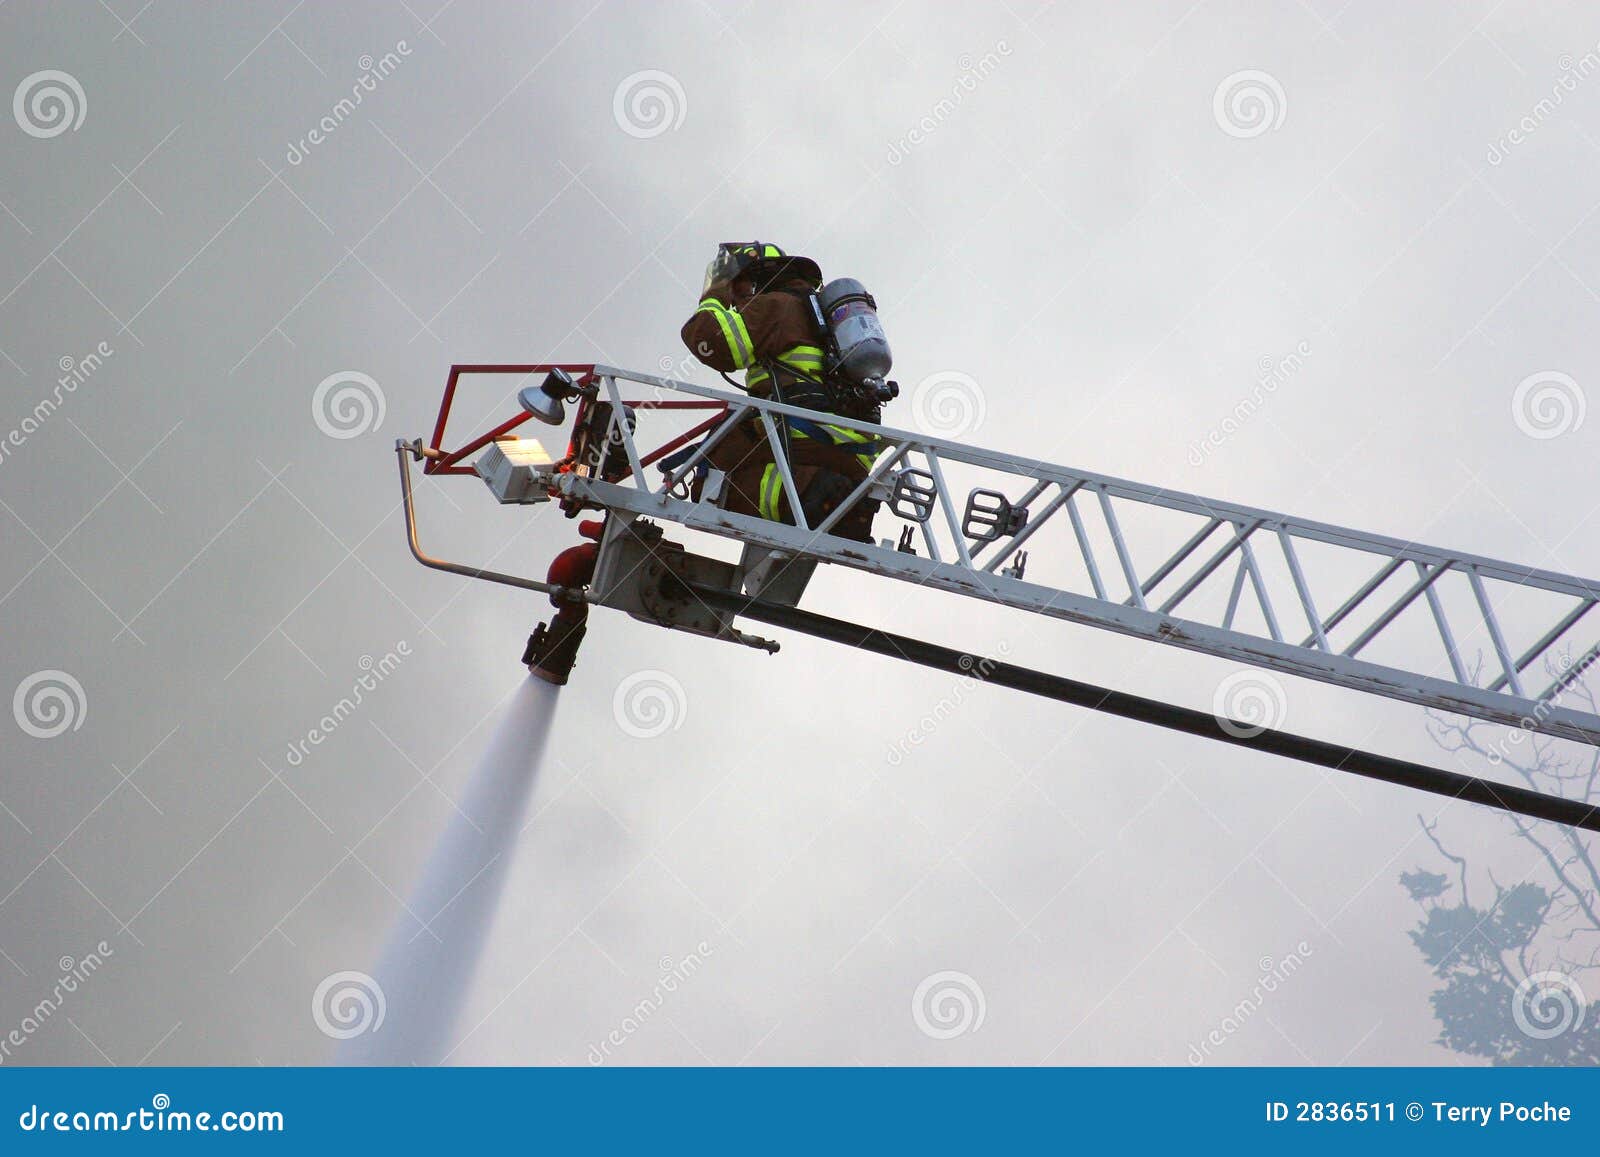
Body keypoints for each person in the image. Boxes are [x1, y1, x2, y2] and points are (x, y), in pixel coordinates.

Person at [679, 242, 882, 542]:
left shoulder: (775, 305)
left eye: (739, 284)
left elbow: (713, 341)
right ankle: (825, 502)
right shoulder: (821, 317)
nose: (736, 298)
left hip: (806, 441)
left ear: (759, 278)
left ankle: (796, 500)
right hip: (852, 455)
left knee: (712, 468)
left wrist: (714, 295)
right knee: (731, 431)